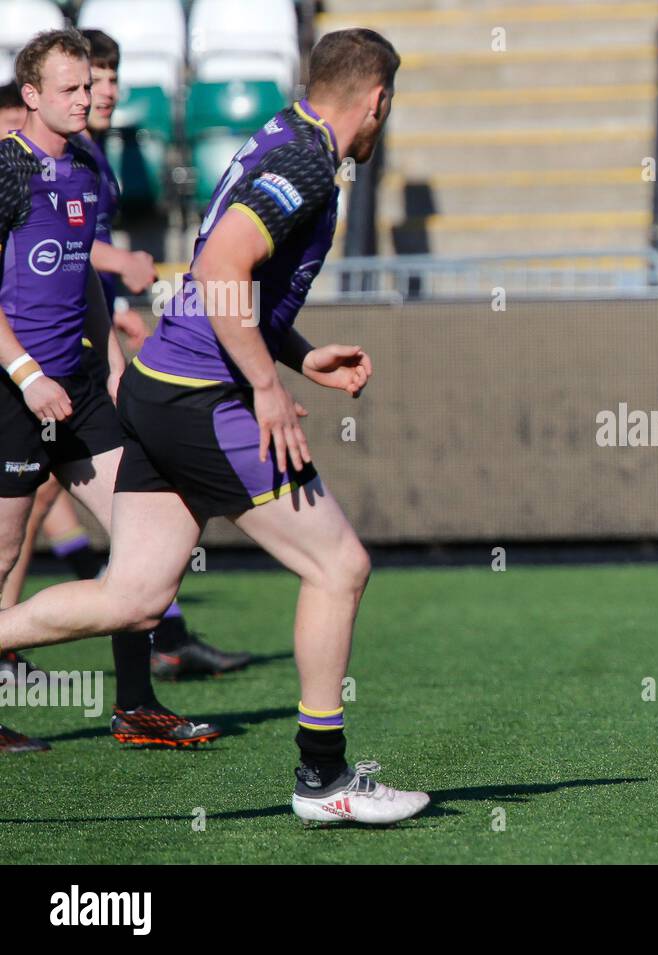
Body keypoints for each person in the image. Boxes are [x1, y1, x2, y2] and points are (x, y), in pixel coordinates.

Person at [0, 28, 430, 824]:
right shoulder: (305, 159)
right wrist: (266, 384)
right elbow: (221, 268)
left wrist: (298, 355)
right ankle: (324, 779)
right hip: (203, 397)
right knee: (339, 566)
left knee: (134, 596)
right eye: (387, 107)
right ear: (376, 101)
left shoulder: (283, 134)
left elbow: (228, 276)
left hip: (166, 385)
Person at [1, 30, 252, 686]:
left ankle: (137, 702)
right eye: (73, 88)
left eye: (92, 85)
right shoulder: (6, 167)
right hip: (13, 393)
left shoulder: (86, 167)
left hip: (79, 391)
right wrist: (27, 378)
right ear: (31, 95)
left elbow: (82, 276)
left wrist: (112, 372)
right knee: (2, 555)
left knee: (143, 542)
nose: (89, 97)